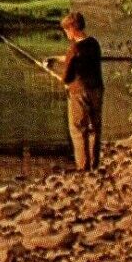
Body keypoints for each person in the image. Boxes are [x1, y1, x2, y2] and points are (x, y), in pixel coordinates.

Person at [48, 10, 104, 172]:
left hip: (79, 93)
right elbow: (80, 57)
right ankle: (94, 165)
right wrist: (56, 58)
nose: (66, 34)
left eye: (66, 30)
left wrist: (60, 77)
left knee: (79, 129)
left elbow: (67, 77)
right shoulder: (93, 43)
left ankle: (83, 168)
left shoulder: (73, 49)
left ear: (73, 29)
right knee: (94, 128)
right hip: (97, 89)